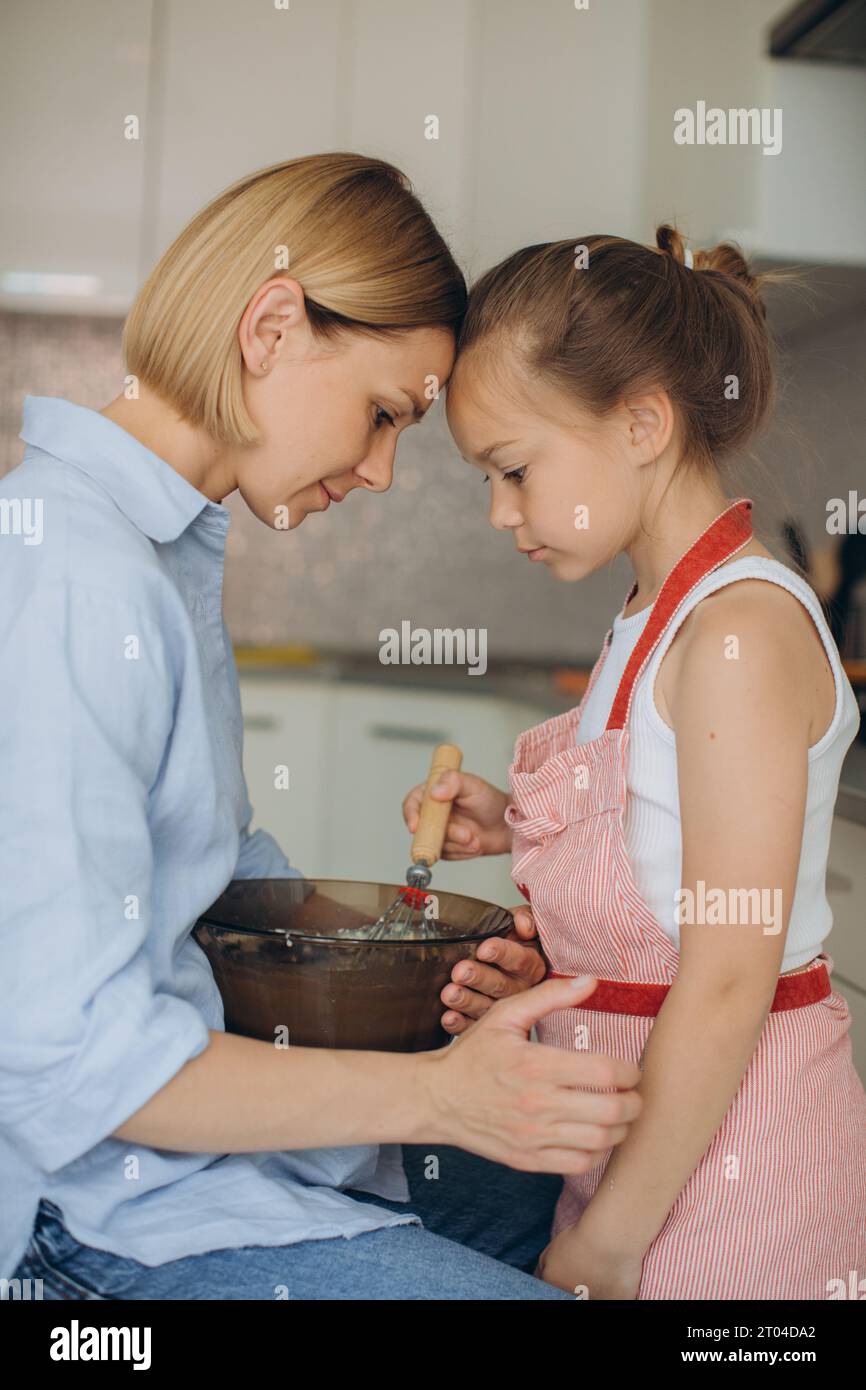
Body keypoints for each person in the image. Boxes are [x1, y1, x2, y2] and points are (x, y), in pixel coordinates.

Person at [0, 154, 642, 1302]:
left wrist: (421, 959)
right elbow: (70, 1068)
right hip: (92, 1212)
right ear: (274, 326)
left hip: (202, 1156)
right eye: (384, 413)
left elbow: (216, 878)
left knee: (606, 1199)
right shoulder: (72, 575)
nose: (385, 470)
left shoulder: (151, 551)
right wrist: (435, 1097)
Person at [412, 225, 866, 1298]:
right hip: (640, 1140)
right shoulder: (647, 617)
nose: (500, 512)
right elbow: (656, 844)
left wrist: (611, 1239)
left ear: (641, 423)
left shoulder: (735, 632)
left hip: (730, 1170)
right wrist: (510, 823)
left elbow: (723, 977)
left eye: (513, 470)